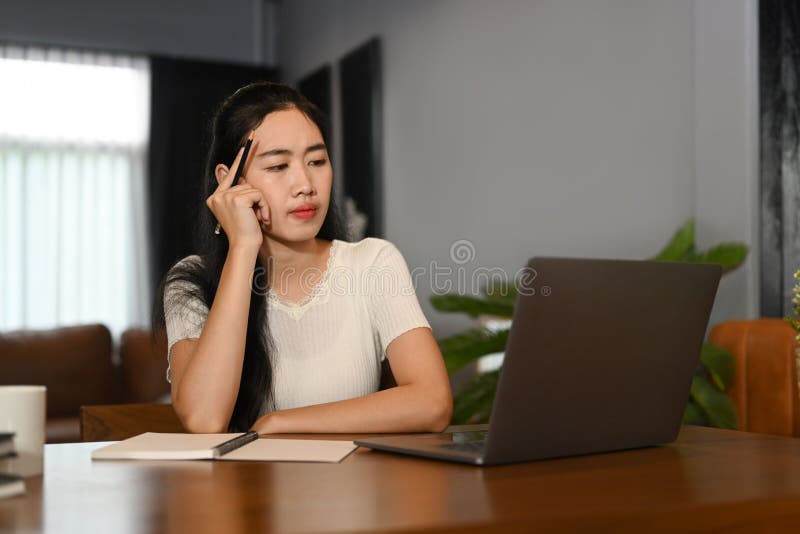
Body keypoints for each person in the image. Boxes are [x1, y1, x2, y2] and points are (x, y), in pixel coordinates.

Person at [153, 82, 452, 435]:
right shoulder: (190, 281)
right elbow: (204, 419)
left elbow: (433, 402)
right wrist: (243, 247)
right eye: (279, 166)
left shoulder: (373, 262)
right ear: (229, 182)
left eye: (317, 161)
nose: (305, 184)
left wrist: (279, 422)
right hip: (244, 475)